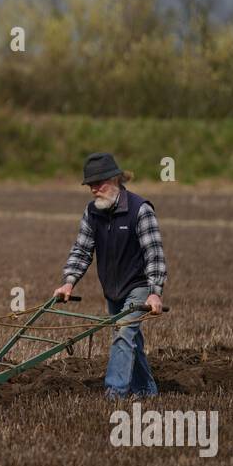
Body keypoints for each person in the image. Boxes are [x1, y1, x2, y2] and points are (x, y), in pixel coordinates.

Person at [54, 152, 166, 400]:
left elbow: (154, 254)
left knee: (123, 332)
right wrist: (68, 282)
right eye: (90, 185)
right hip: (112, 287)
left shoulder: (140, 210)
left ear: (115, 180)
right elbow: (82, 249)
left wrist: (155, 292)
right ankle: (146, 390)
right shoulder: (92, 212)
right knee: (130, 339)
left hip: (138, 285)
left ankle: (115, 392)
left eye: (98, 183)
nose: (94, 190)